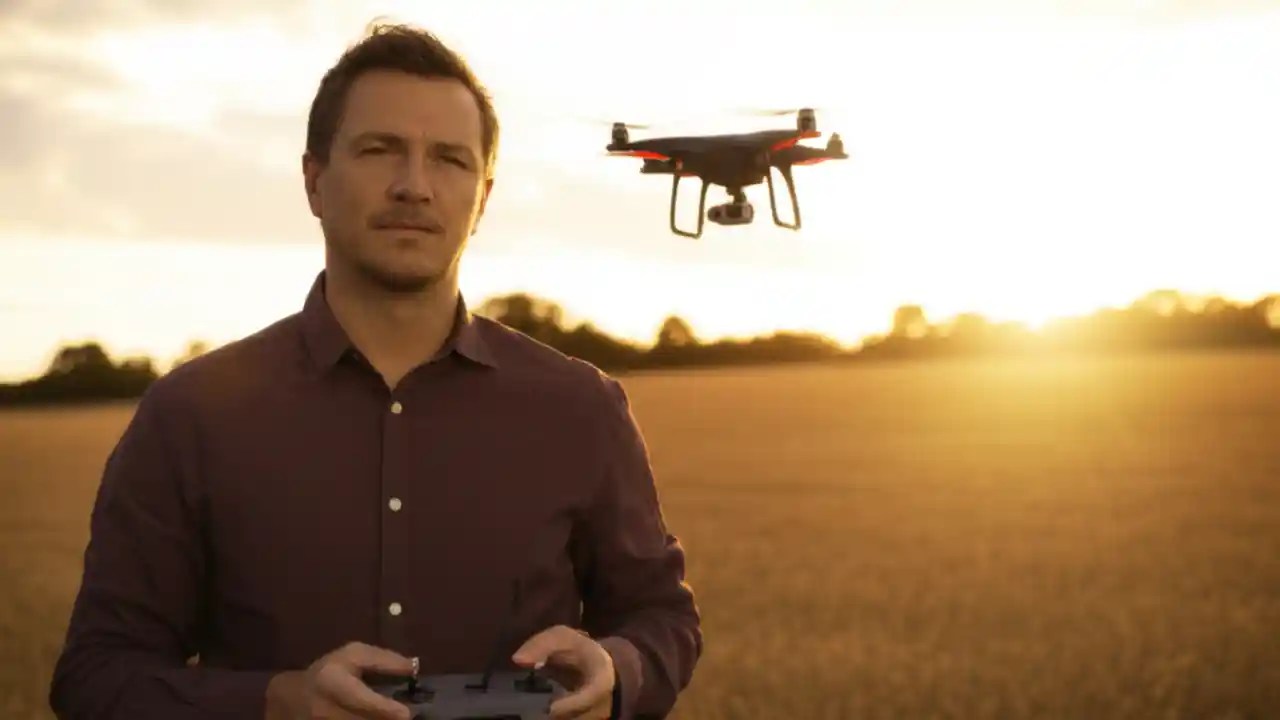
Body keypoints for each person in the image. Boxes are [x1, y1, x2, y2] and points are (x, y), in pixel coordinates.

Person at [48, 21, 702, 720]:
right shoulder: (190, 416)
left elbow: (663, 620)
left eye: (449, 160)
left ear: (482, 198)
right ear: (314, 180)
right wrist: (277, 703)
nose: (413, 186)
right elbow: (95, 677)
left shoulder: (581, 408)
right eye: (380, 150)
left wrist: (619, 672)